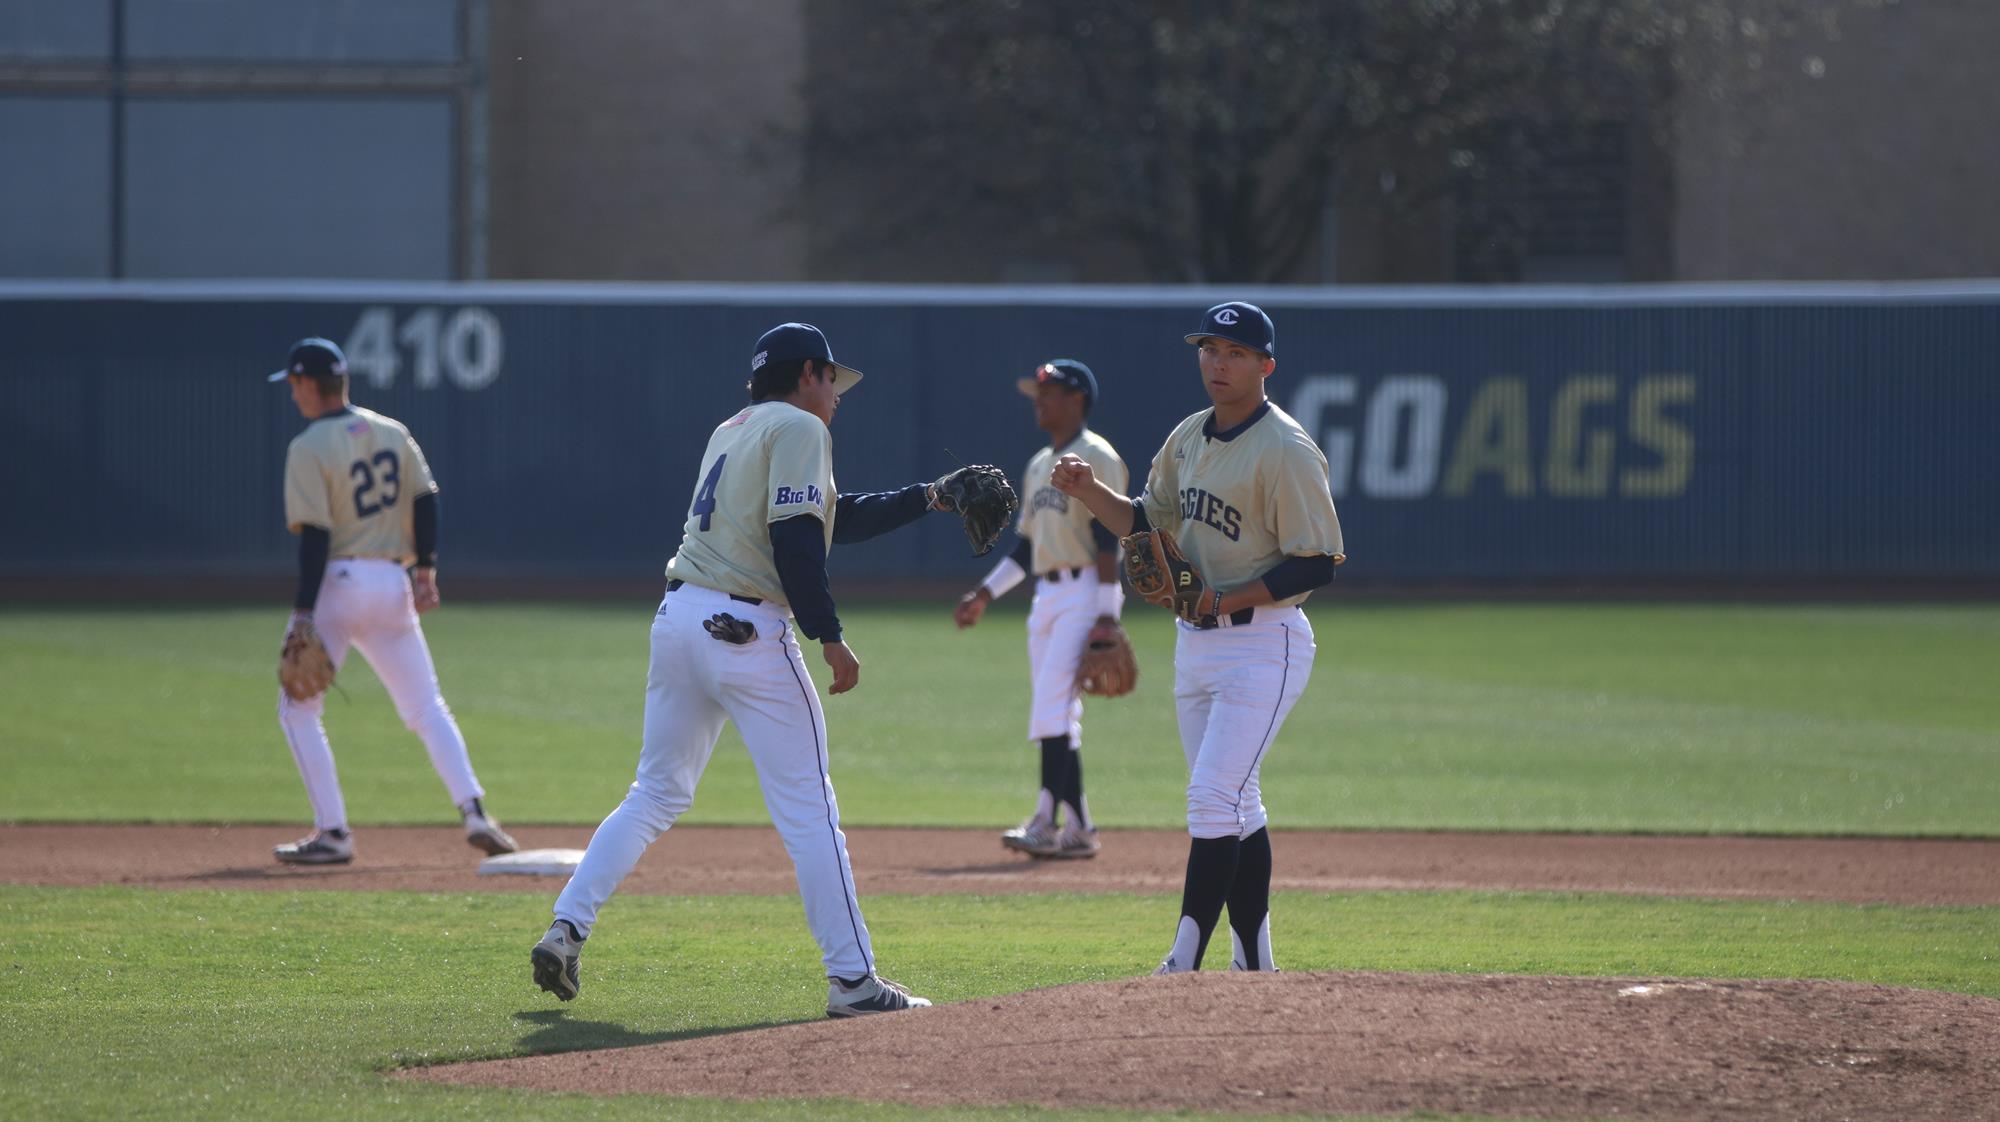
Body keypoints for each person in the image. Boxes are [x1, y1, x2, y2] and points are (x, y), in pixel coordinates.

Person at [532, 322, 980, 1017]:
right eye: (832, 378)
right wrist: (828, 634)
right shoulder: (801, 430)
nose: (837, 393)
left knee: (653, 793)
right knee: (811, 812)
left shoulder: (733, 428)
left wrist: (931, 496)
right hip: (746, 629)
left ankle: (566, 928)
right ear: (807, 373)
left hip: (679, 618)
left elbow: (831, 517)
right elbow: (797, 541)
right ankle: (854, 982)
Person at [1051, 303, 1344, 974]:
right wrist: (1090, 489)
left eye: (1235, 352)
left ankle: (1183, 960)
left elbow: (1316, 561)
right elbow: (1143, 523)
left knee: (1212, 796)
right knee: (1236, 801)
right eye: (1209, 348)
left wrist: (1226, 597)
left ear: (1266, 366)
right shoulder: (1188, 437)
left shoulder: (1288, 450)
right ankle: (1255, 964)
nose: (1218, 361)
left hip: (1264, 640)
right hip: (1197, 641)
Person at [269, 337, 517, 865]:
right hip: (392, 582)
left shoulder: (309, 446)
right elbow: (426, 499)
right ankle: (475, 811)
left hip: (339, 581)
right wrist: (426, 567)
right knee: (427, 706)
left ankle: (333, 833)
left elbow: (314, 537)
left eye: (293, 384)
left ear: (309, 384)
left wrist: (302, 612)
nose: (292, 395)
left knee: (298, 709)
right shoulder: (391, 431)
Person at [954, 360, 1127, 860]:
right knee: (1058, 714)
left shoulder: (1097, 456)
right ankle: (1080, 828)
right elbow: (1028, 547)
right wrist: (985, 594)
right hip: (1047, 596)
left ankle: (1045, 822)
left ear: (1077, 399)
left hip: (1084, 592)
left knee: (1051, 708)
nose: (1039, 400)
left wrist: (1107, 612)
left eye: (1049, 391)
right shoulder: (1037, 465)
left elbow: (1106, 541)